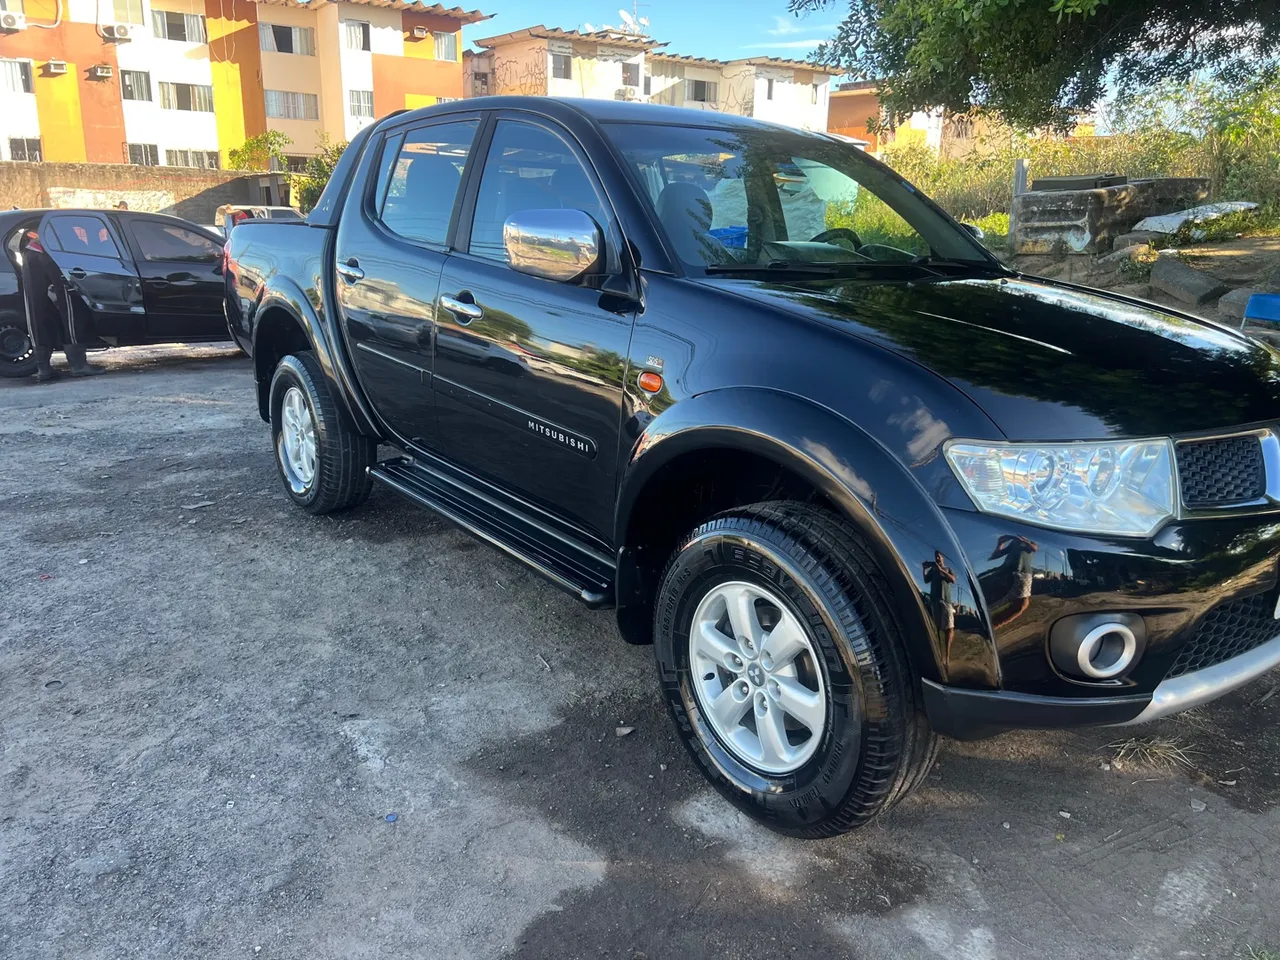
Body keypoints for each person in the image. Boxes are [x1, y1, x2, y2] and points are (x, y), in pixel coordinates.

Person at [17, 229, 106, 381]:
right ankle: (78, 364)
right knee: (69, 304)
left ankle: (43, 367)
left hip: (30, 252)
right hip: (55, 254)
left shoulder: (38, 225)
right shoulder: (64, 224)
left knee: (34, 306)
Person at [923, 550, 957, 656]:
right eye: (936, 557)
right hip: (934, 600)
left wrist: (941, 570)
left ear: (943, 557)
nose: (937, 558)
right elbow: (926, 580)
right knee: (936, 627)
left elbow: (953, 580)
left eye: (939, 556)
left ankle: (947, 656)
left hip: (946, 600)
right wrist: (924, 569)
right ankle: (939, 652)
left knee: (950, 628)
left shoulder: (948, 568)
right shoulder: (932, 570)